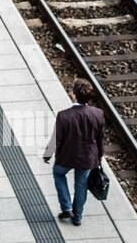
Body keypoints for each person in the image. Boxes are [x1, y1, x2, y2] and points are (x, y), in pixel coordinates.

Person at [43, 78, 106, 226]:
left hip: (67, 156)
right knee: (81, 185)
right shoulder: (98, 114)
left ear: (74, 95)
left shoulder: (64, 116)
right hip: (87, 158)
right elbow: (100, 139)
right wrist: (100, 155)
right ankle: (77, 217)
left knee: (58, 173)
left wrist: (47, 154)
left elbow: (56, 139)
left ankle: (66, 207)